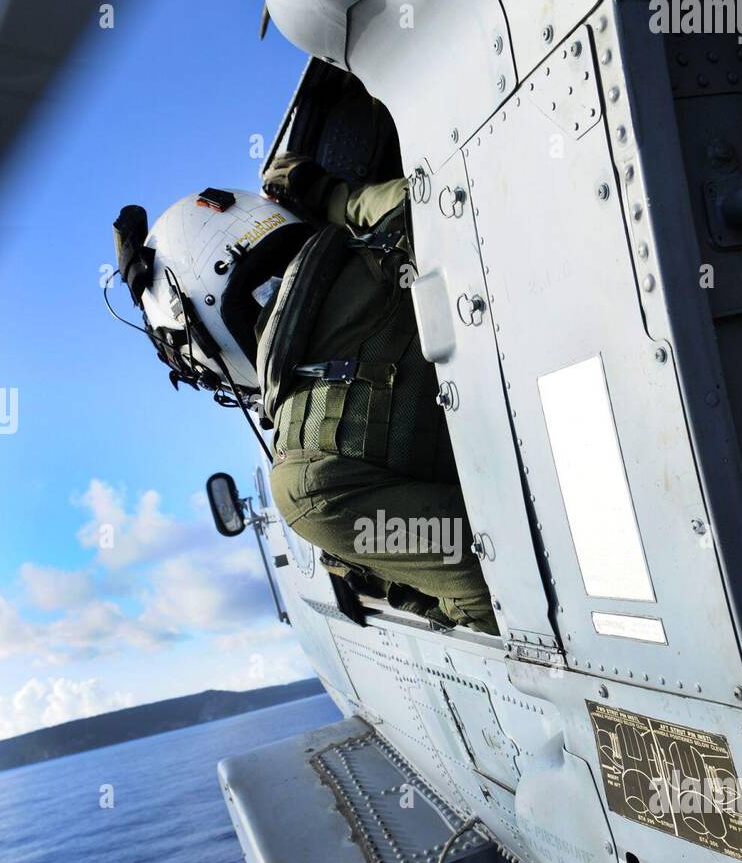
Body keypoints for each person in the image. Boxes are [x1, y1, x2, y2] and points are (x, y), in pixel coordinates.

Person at [110, 162, 497, 635]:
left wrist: (412, 596)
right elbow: (400, 197)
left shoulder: (309, 486)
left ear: (206, 340)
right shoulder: (411, 219)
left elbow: (493, 581)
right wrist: (326, 192)